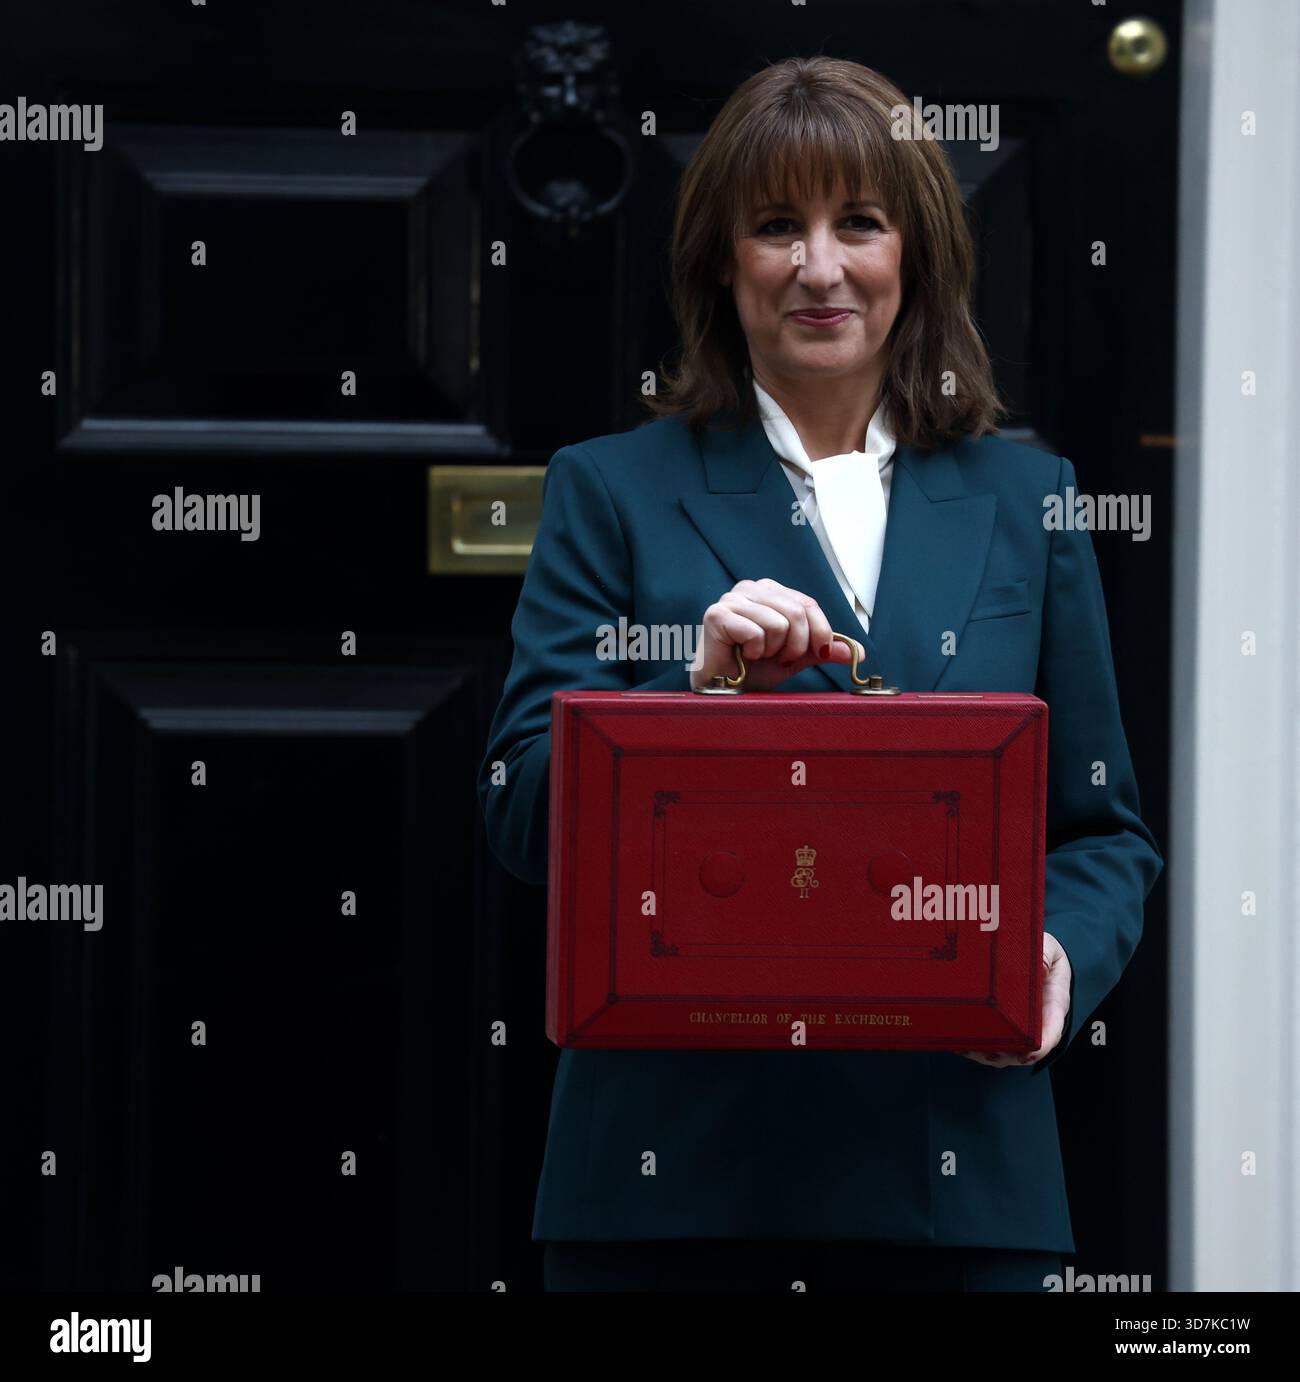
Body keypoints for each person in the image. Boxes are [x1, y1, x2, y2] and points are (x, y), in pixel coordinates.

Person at [477, 55, 1163, 1292]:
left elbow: (1101, 828)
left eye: (859, 222)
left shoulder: (1029, 497)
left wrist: (1054, 953)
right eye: (775, 226)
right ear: (719, 262)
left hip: (958, 1179)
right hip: (669, 1185)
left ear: (917, 253)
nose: (819, 267)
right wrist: (691, 695)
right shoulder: (608, 488)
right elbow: (520, 812)